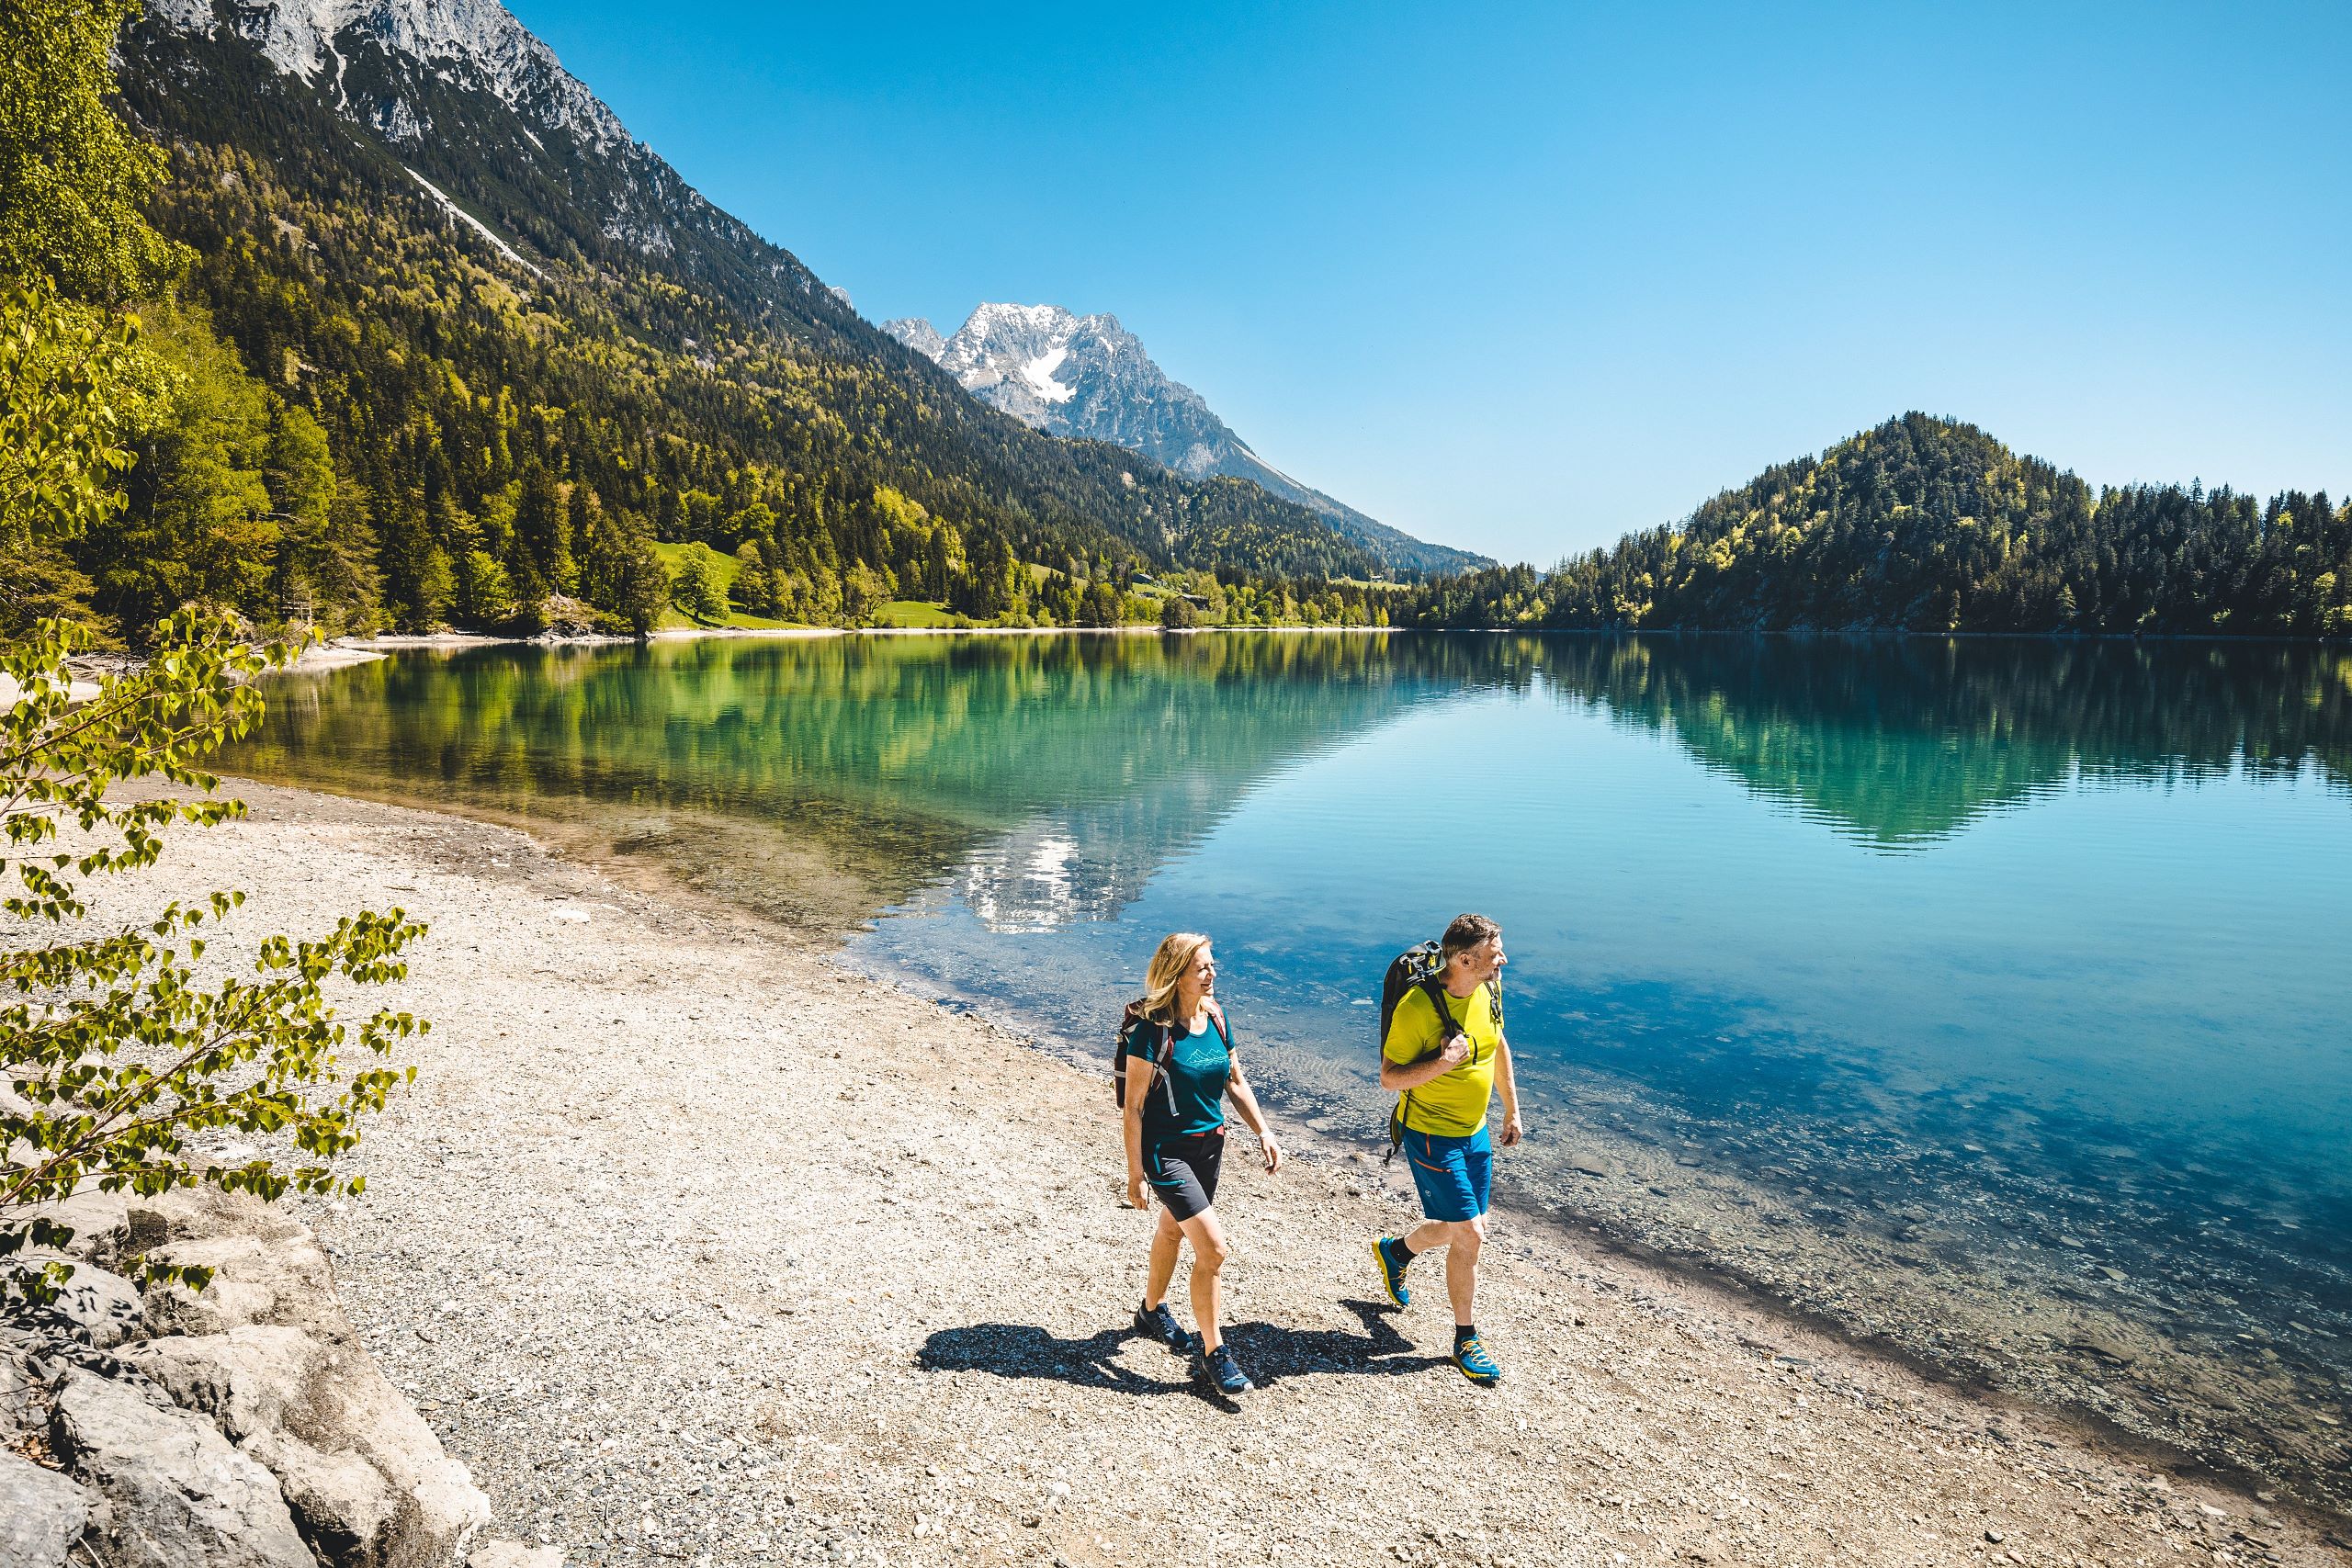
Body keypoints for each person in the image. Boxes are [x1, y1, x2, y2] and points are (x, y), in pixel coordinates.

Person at [1121, 931, 1283, 1395]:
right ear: (1177, 974)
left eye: (1212, 965)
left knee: (1173, 1230)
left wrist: (1264, 1132)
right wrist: (1135, 1174)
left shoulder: (1216, 1017)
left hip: (1209, 1149)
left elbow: (1235, 1081)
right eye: (1203, 968)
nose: (1213, 974)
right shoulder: (1152, 1031)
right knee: (1212, 1249)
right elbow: (1133, 1107)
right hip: (1167, 1153)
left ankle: (1151, 1311)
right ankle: (1215, 1354)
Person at [1371, 912, 1524, 1385]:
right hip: (1431, 1134)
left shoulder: (1489, 990)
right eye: (1494, 953)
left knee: (1462, 1228)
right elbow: (1389, 1077)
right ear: (1463, 959)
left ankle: (1396, 1252)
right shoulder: (1417, 1008)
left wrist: (1511, 1109)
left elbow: (1498, 1044)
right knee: (1471, 1234)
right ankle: (1465, 1339)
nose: (1503, 960)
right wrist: (1443, 1061)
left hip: (1474, 1132)